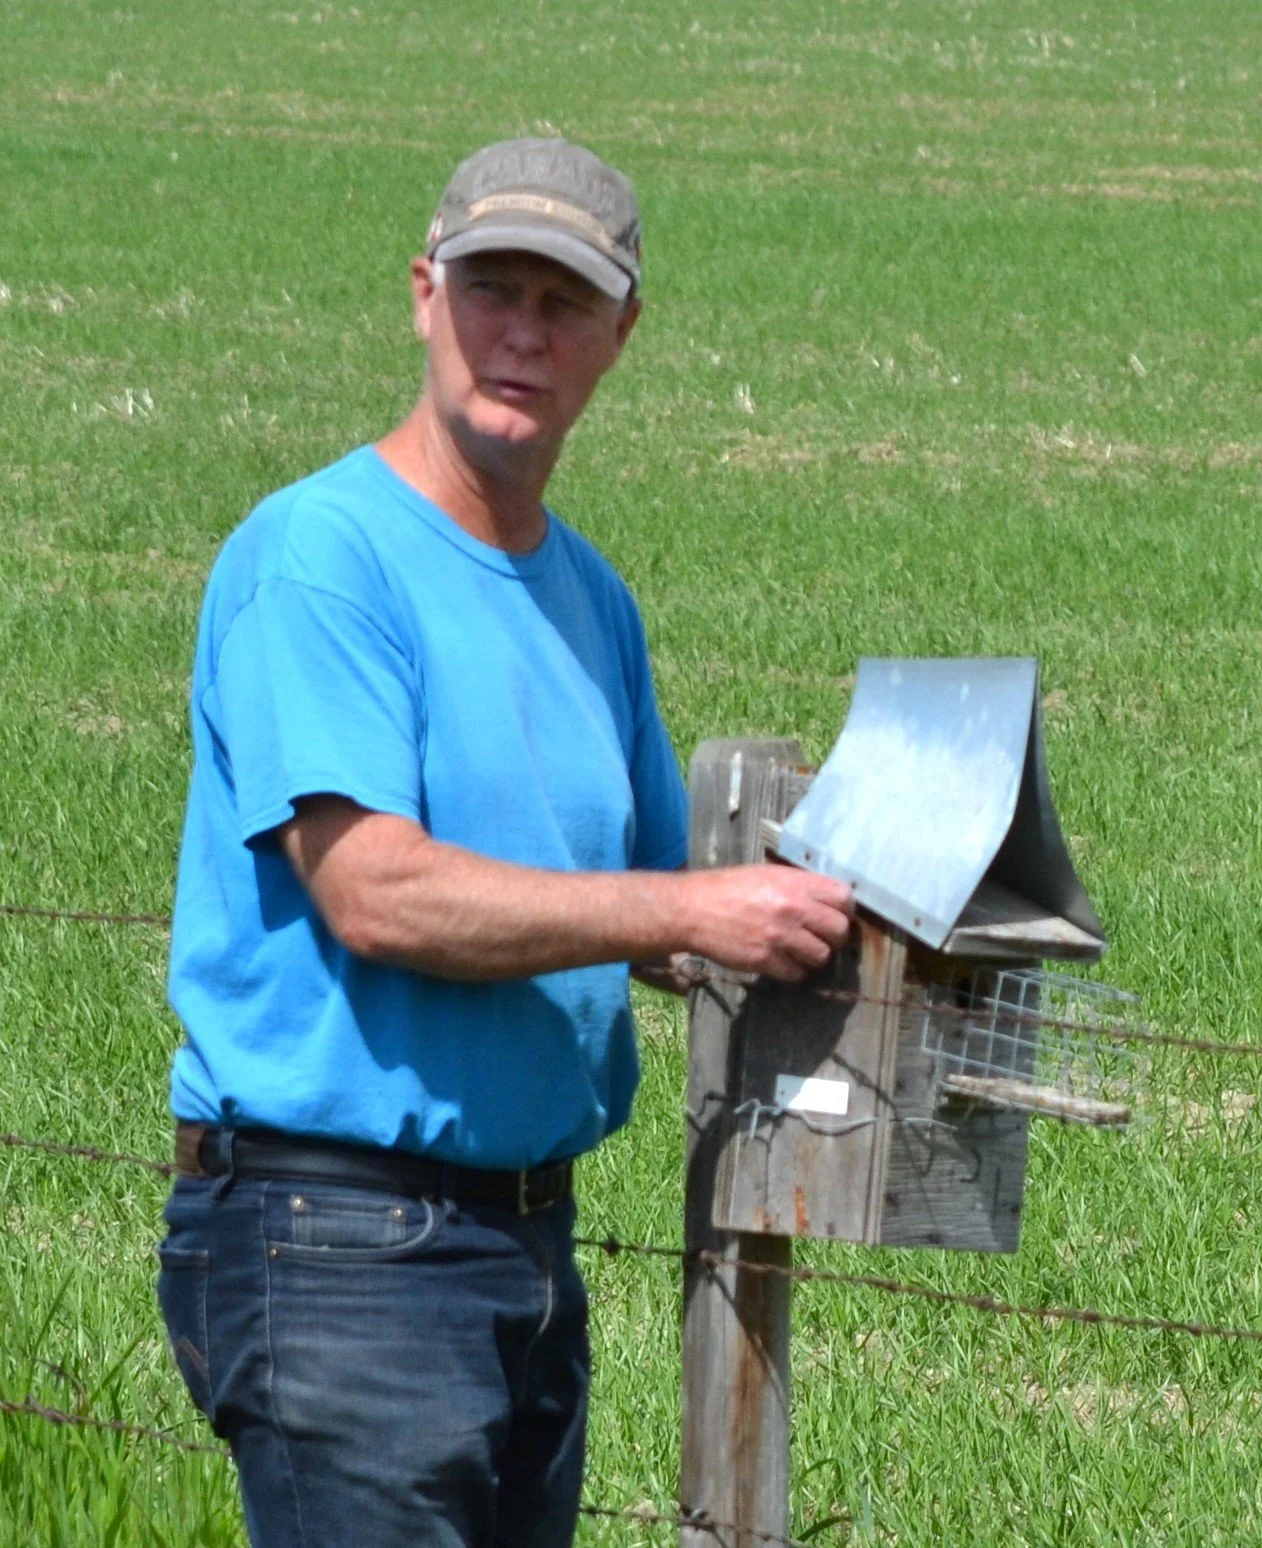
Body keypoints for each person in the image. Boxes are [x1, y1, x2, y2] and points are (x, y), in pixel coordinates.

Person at [155, 136, 854, 1548]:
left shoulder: (588, 597)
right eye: (491, 290)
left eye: (564, 300)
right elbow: (374, 891)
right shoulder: (322, 560)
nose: (522, 334)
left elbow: (659, 898)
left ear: (622, 333)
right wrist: (688, 913)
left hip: (524, 1240)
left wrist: (864, 904)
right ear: (424, 294)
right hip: (338, 1237)